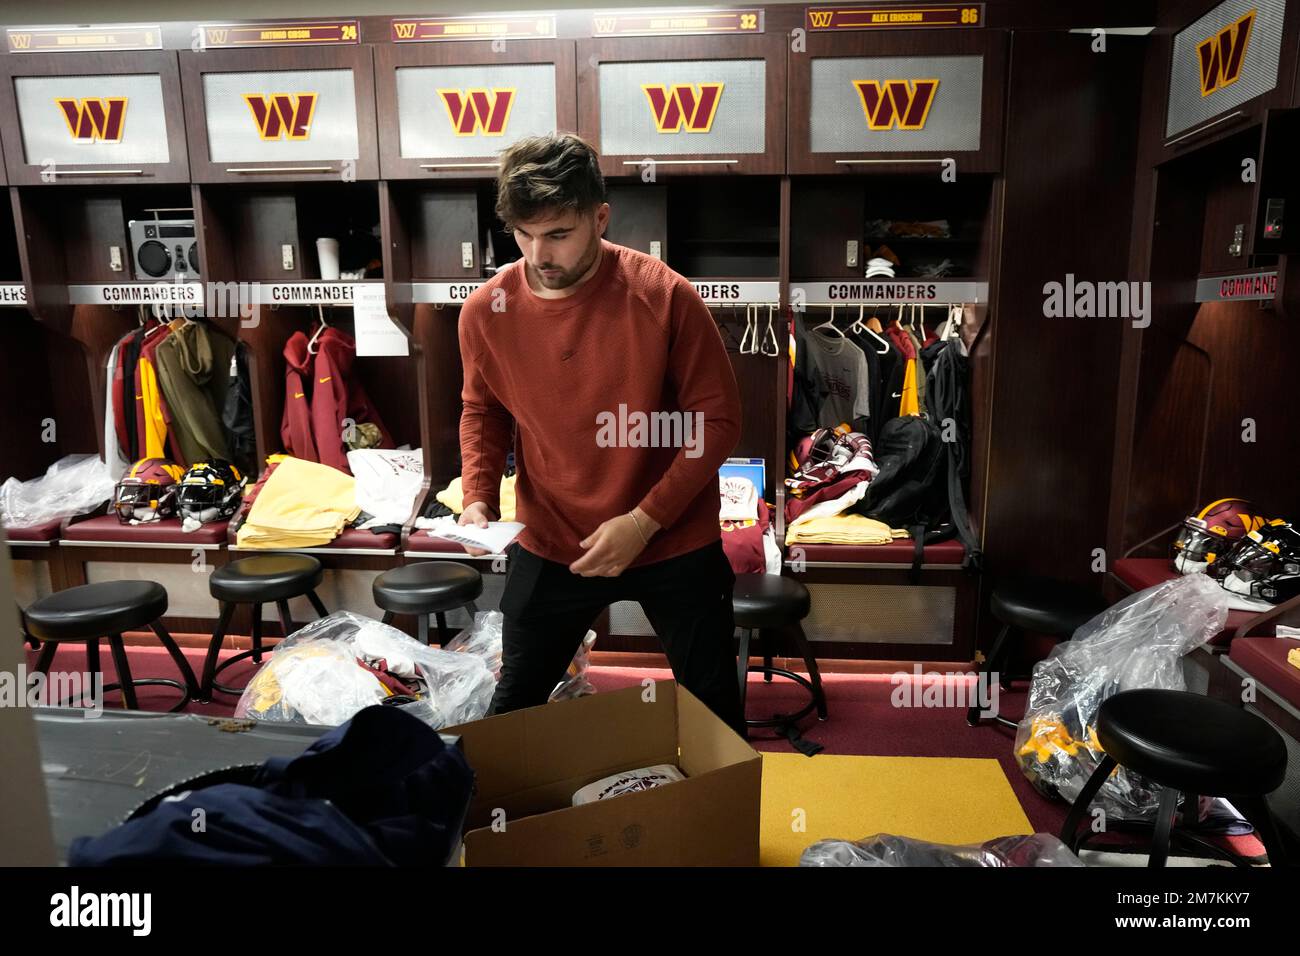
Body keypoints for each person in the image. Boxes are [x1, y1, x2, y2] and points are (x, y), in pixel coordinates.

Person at [456, 132, 746, 735]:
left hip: (672, 536)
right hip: (553, 535)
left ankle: (721, 826)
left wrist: (644, 521)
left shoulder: (663, 295)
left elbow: (717, 422)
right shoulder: (486, 311)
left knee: (712, 708)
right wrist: (478, 496)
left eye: (558, 234)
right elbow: (483, 410)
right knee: (513, 711)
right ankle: (499, 828)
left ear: (600, 217)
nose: (538, 254)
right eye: (523, 234)